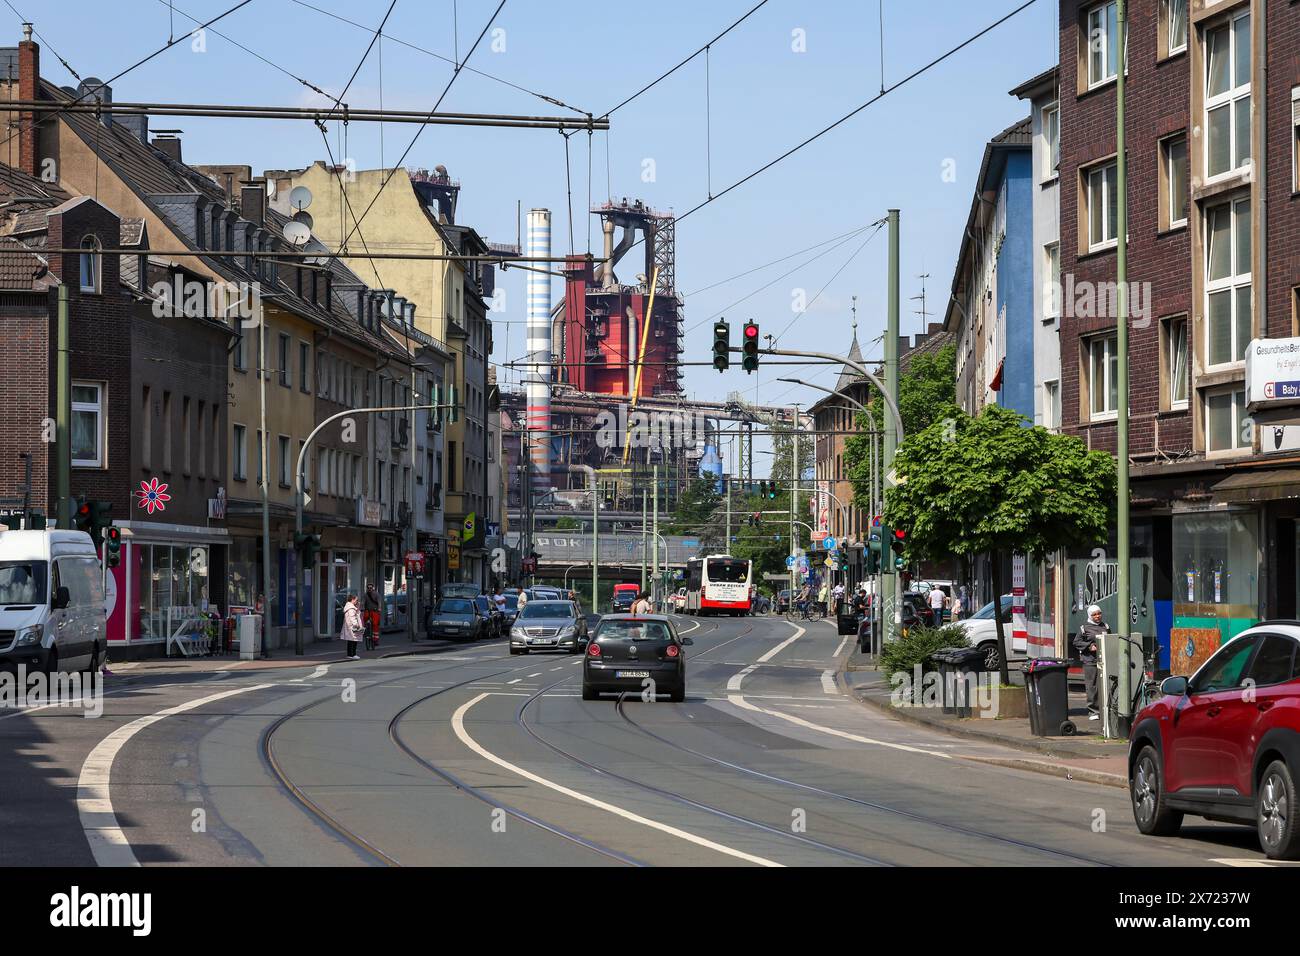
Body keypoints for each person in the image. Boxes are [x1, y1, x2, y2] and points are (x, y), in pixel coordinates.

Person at [1074, 604, 1109, 721]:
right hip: (1090, 661)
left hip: (1103, 660)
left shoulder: (1105, 626)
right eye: (1094, 615)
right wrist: (1089, 646)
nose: (1097, 616)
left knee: (1104, 684)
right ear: (1089, 615)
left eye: (1099, 613)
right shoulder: (1084, 628)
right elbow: (1076, 642)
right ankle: (1093, 710)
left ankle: (1105, 708)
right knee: (1092, 686)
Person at [341, 594, 364, 660]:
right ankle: (353, 654)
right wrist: (356, 625)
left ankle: (350, 654)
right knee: (354, 640)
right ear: (352, 599)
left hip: (349, 626)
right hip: (353, 626)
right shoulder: (351, 608)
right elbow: (352, 617)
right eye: (356, 600)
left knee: (351, 640)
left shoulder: (350, 607)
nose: (357, 601)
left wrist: (357, 607)